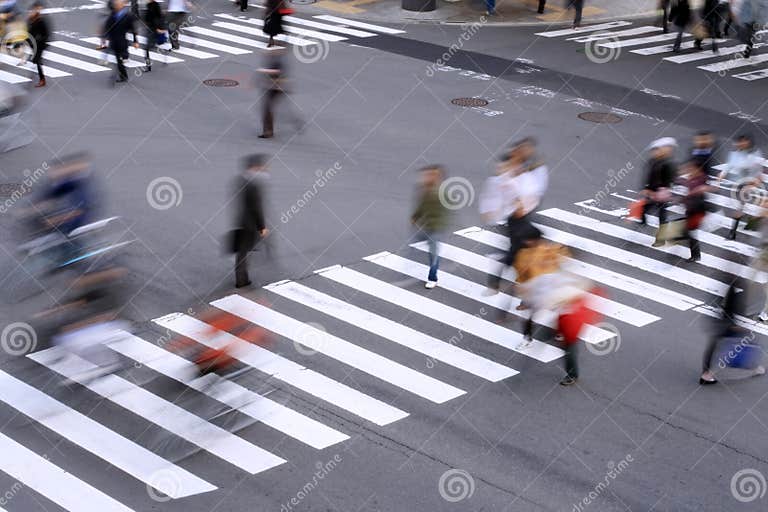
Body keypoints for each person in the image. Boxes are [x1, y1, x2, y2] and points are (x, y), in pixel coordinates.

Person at [487, 141, 547, 294]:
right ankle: (502, 280)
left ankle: (502, 279)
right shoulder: (507, 177)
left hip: (524, 218)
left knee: (518, 253)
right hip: (515, 220)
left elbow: (532, 195)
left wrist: (526, 203)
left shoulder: (526, 173)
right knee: (516, 253)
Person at [718, 134, 765, 240]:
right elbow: (729, 165)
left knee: (738, 207)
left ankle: (732, 232)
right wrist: (722, 174)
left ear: (749, 142)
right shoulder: (734, 154)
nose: (741, 144)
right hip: (735, 184)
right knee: (738, 207)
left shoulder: (754, 155)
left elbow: (758, 173)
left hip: (747, 184)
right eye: (739, 142)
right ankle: (750, 221)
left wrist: (753, 183)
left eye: (744, 141)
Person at [233, 154, 269, 288]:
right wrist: (262, 227)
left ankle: (242, 278)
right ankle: (241, 279)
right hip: (250, 224)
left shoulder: (242, 180)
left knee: (242, 252)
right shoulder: (253, 185)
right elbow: (257, 208)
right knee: (244, 252)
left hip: (242, 220)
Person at [411, 165, 449, 289]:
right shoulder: (425, 189)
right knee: (425, 246)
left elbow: (448, 211)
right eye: (427, 175)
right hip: (426, 226)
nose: (428, 177)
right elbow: (422, 206)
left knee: (433, 253)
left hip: (436, 228)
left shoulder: (442, 192)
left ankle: (432, 278)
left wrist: (441, 224)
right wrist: (416, 217)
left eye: (432, 175)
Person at [670, 160, 712, 262]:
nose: (689, 170)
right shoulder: (693, 178)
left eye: (691, 168)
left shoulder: (700, 179)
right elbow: (683, 184)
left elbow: (696, 192)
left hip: (697, 212)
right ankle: (679, 238)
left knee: (691, 233)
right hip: (691, 210)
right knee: (688, 230)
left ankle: (695, 255)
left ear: (698, 169)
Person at [640, 137, 678, 246]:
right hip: (652, 192)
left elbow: (671, 179)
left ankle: (660, 240)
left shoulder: (669, 163)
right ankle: (643, 220)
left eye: (657, 150)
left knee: (662, 217)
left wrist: (660, 190)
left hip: (662, 194)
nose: (654, 153)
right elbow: (648, 176)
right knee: (644, 209)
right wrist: (646, 188)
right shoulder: (652, 161)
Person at [103, 0, 138, 83]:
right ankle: (123, 76)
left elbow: (133, 28)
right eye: (116, 5)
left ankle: (121, 74)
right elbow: (108, 27)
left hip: (122, 41)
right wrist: (104, 38)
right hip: (114, 41)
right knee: (118, 60)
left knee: (120, 58)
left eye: (119, 5)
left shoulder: (127, 16)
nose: (117, 6)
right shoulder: (113, 15)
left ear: (122, 5)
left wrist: (135, 41)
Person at [27, 1, 49, 88]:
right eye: (35, 8)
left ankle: (42, 80)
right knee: (35, 60)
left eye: (38, 8)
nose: (36, 10)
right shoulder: (31, 19)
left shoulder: (41, 20)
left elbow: (46, 34)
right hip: (33, 43)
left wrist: (40, 40)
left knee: (37, 60)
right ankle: (38, 61)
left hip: (39, 44)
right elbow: (29, 31)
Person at [142, 0, 164, 72]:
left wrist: (159, 28)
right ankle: (148, 66)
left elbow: (158, 17)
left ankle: (148, 66)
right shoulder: (149, 5)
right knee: (149, 48)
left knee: (147, 48)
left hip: (153, 30)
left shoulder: (154, 5)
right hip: (150, 29)